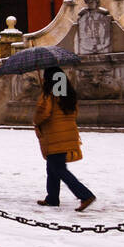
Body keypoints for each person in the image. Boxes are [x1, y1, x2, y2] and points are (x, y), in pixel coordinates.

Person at [34, 67, 96, 211]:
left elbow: (43, 114)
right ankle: (52, 198)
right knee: (52, 168)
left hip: (54, 136)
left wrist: (35, 120)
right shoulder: (68, 94)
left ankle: (85, 195)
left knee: (59, 169)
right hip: (67, 134)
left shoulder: (48, 95)